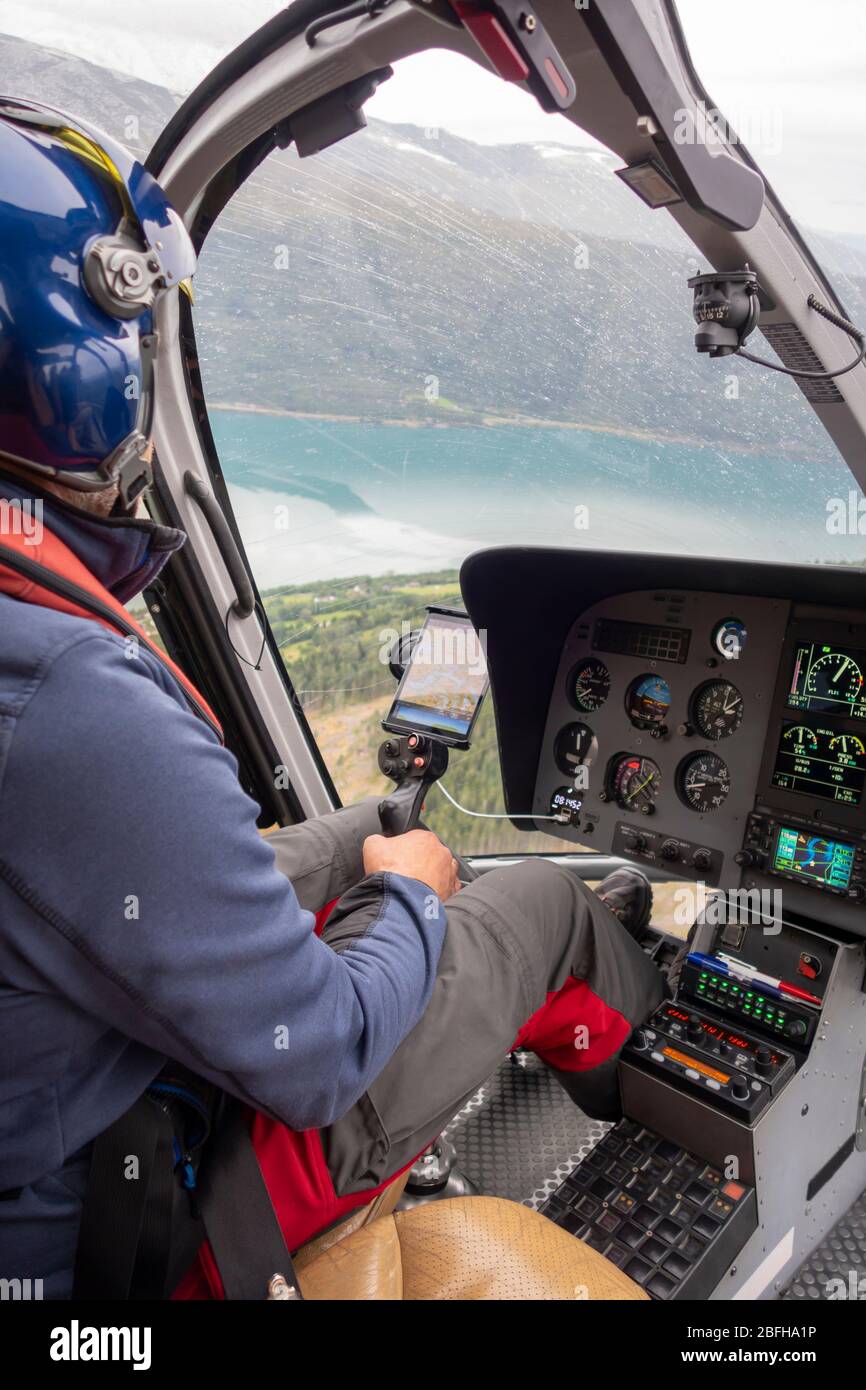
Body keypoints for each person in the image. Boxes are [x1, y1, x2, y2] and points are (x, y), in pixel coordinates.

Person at [0, 100, 665, 1299]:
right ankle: (664, 1095)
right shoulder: (63, 695)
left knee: (370, 839)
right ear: (79, 352)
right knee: (536, 906)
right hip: (137, 1228)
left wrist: (365, 834)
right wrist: (408, 898)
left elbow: (120, 888)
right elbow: (308, 1057)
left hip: (73, 1123)